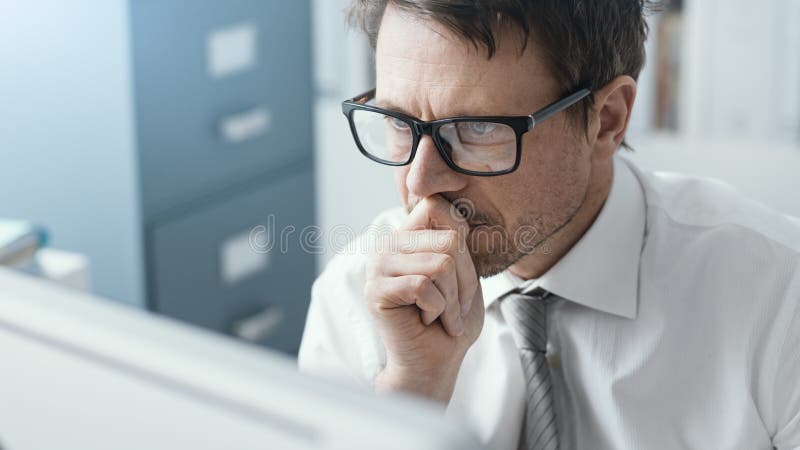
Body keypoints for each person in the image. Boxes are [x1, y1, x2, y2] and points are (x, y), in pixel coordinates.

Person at [298, 1, 800, 449]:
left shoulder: (779, 300)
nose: (420, 181)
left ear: (607, 119)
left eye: (477, 128)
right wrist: (412, 390)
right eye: (398, 121)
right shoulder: (355, 303)